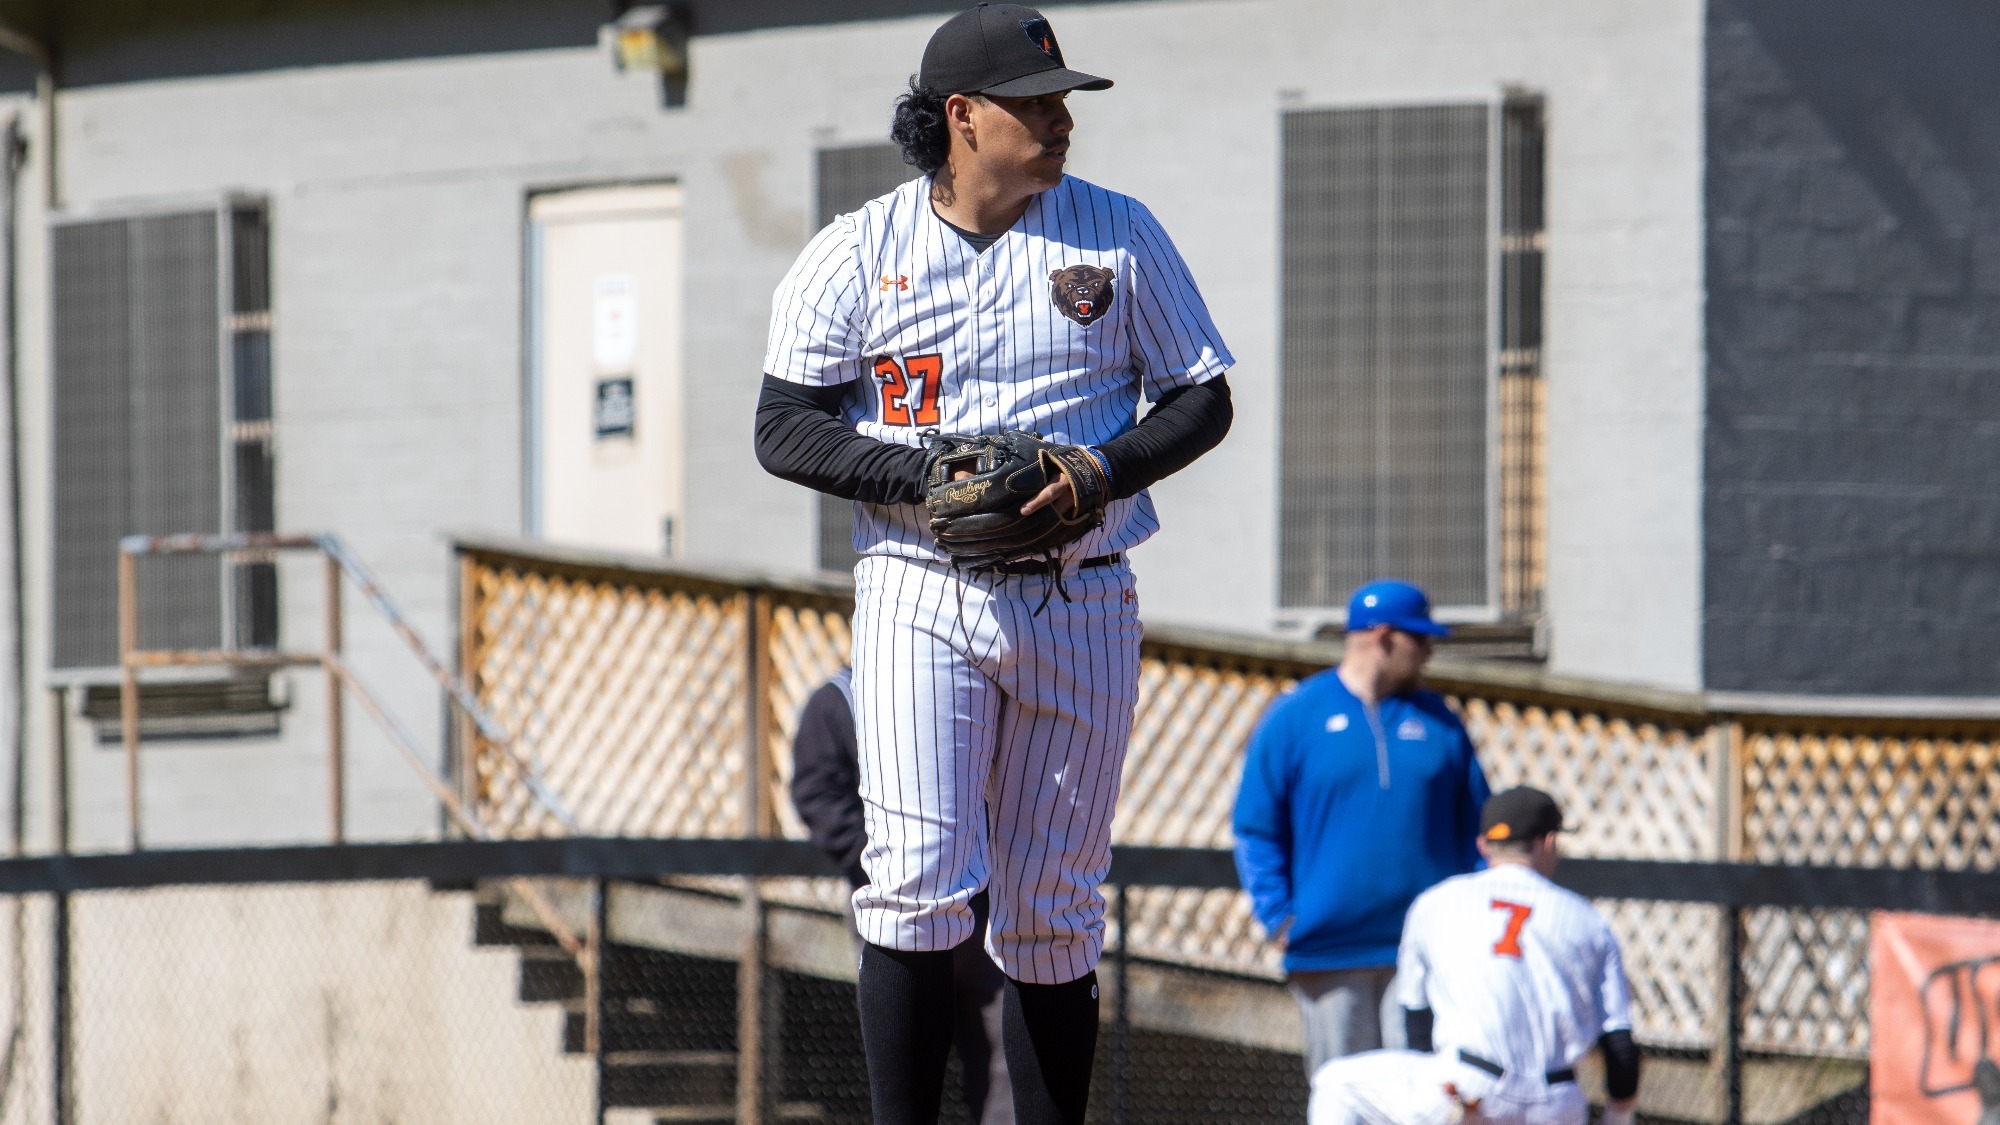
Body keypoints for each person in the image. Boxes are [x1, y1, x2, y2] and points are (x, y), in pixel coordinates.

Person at [752, 4, 1235, 1123]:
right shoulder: (857, 250)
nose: (1060, 120)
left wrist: (1099, 472)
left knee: (1053, 911)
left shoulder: (1113, 232)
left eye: (1063, 100)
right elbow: (784, 427)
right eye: (1036, 103)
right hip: (920, 587)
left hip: (1081, 587)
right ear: (961, 118)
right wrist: (921, 482)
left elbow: (1201, 395)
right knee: (916, 882)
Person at [1232, 579, 1490, 1075]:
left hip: (1425, 952)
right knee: (1343, 1095)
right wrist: (1279, 915)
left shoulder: (1441, 721)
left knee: (1421, 1100)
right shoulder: (1295, 716)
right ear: (1385, 637)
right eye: (1422, 641)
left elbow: (1477, 829)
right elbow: (1255, 827)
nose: (1429, 654)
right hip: (1329, 951)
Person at [1308, 787, 1642, 1125]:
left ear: (1483, 845)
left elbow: (1417, 1022)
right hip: (1556, 1104)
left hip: (1467, 1090)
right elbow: (1621, 1047)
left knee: (1336, 1083)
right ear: (1549, 842)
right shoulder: (1587, 919)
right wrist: (1618, 1114)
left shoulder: (1438, 901)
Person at [787, 668, 1013, 1125]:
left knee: (1003, 1051)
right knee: (904, 1051)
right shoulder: (839, 702)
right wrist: (879, 862)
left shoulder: (962, 688)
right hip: (894, 909)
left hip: (983, 907)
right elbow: (816, 792)